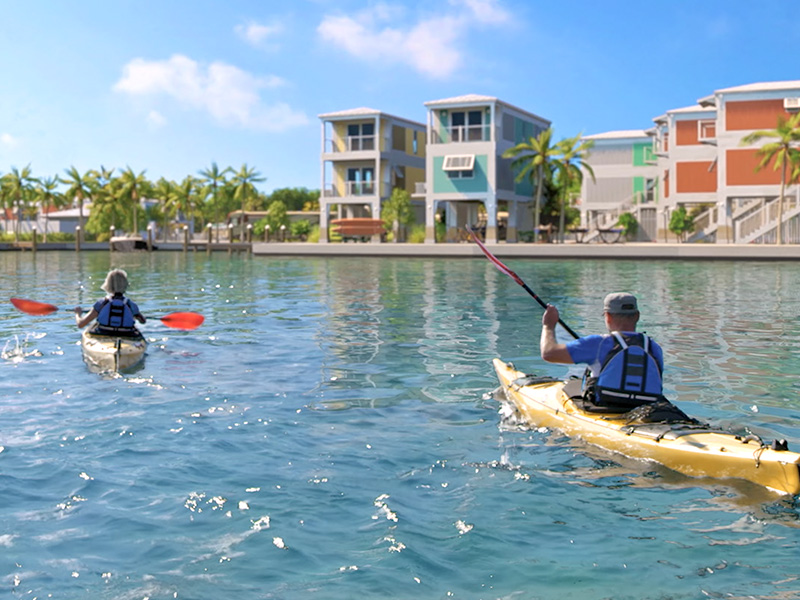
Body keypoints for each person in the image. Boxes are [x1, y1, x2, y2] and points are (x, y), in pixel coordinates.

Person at [540, 292, 664, 410]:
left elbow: (548, 353)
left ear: (608, 316)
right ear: (637, 316)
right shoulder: (654, 347)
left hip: (605, 407)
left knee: (571, 387)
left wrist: (548, 326)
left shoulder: (598, 343)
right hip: (647, 408)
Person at [75, 269, 146, 336]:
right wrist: (136, 315)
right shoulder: (131, 305)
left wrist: (78, 314)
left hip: (103, 333)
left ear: (108, 284)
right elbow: (142, 321)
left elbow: (81, 324)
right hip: (127, 334)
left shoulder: (101, 303)